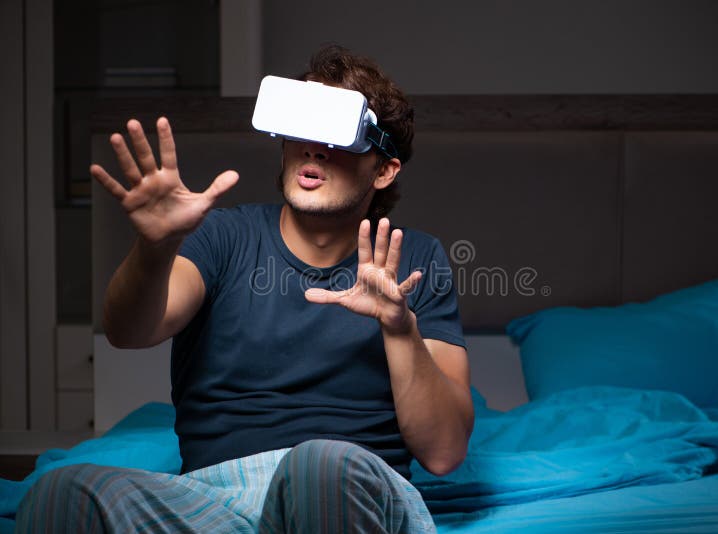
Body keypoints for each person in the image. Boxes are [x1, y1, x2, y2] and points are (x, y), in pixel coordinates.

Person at [16, 45, 472, 533]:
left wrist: (400, 328)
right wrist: (156, 246)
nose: (313, 147)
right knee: (61, 492)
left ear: (383, 168)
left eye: (336, 130)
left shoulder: (415, 259)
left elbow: (443, 453)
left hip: (348, 489)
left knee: (319, 465)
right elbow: (130, 331)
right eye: (303, 124)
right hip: (212, 499)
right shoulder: (223, 236)